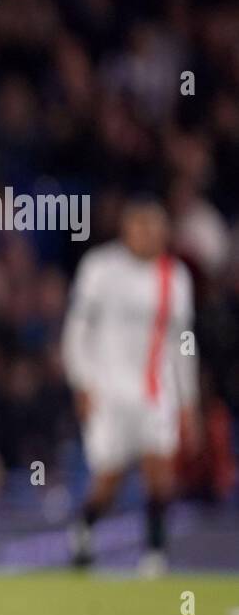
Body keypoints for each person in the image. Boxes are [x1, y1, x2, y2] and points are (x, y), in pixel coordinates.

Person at [62, 200, 198, 576]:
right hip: (108, 392)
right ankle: (84, 532)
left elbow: (183, 344)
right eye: (141, 226)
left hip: (157, 391)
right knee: (109, 478)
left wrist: (189, 402)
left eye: (155, 227)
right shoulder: (100, 268)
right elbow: (76, 332)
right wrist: (82, 384)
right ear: (127, 229)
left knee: (160, 472)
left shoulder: (176, 276)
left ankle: (155, 555)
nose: (148, 234)